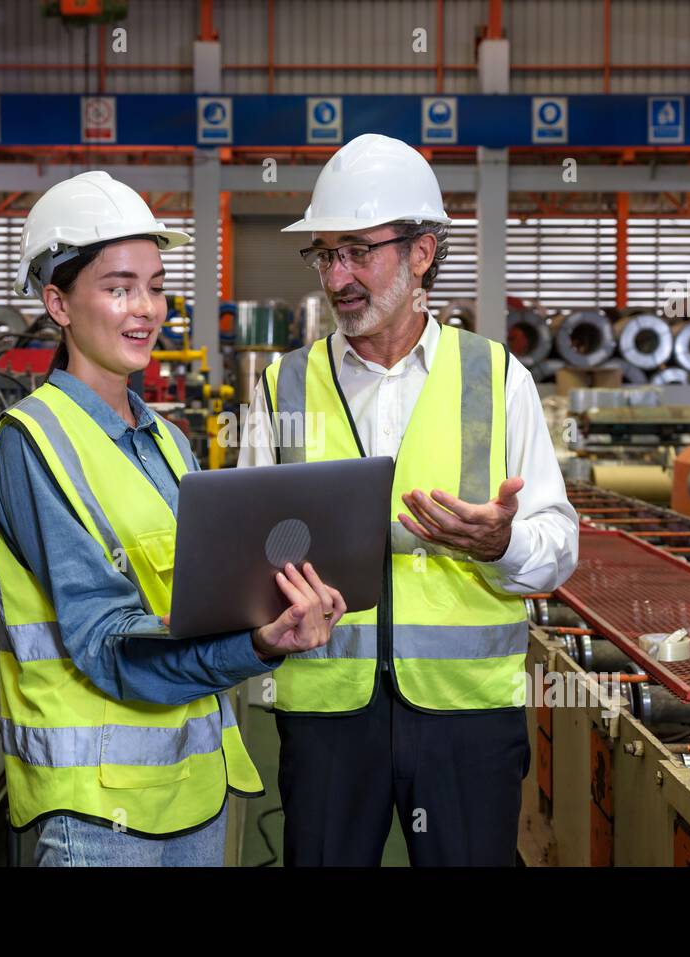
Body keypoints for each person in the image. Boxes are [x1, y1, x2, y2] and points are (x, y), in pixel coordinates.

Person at [0, 171, 346, 867]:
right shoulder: (29, 446)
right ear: (58, 302)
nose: (145, 309)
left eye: (155, 285)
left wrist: (276, 608)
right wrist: (257, 645)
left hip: (191, 793)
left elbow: (198, 600)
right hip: (97, 815)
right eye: (117, 287)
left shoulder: (167, 441)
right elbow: (107, 641)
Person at [237, 134, 579, 866]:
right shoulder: (282, 388)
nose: (338, 277)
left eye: (359, 251)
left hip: (466, 716)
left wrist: (503, 545)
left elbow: (558, 546)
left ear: (422, 252)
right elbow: (243, 552)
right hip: (327, 712)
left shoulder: (497, 377)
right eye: (325, 255)